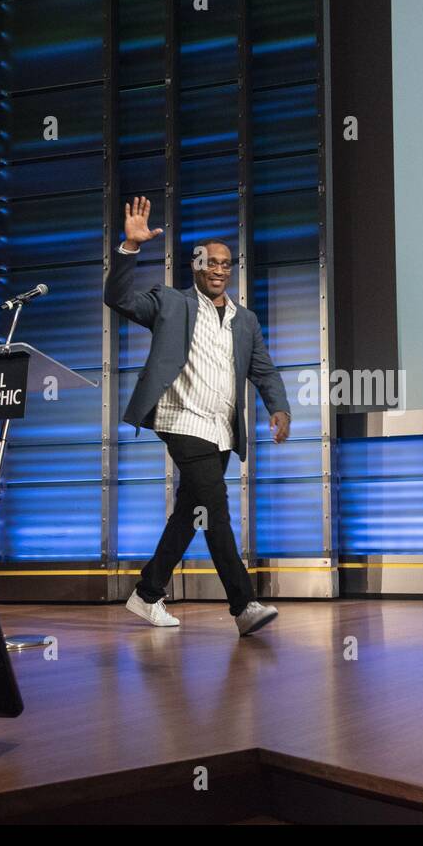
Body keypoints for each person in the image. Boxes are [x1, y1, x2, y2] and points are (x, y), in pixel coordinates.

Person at [104, 196, 292, 635]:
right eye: (212, 262)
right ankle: (243, 605)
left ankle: (147, 593)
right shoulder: (170, 303)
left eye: (227, 264)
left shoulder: (245, 321)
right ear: (196, 265)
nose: (220, 269)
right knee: (218, 511)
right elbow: (118, 298)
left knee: (191, 513)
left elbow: (262, 368)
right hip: (181, 421)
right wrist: (130, 248)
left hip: (221, 429)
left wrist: (278, 406)